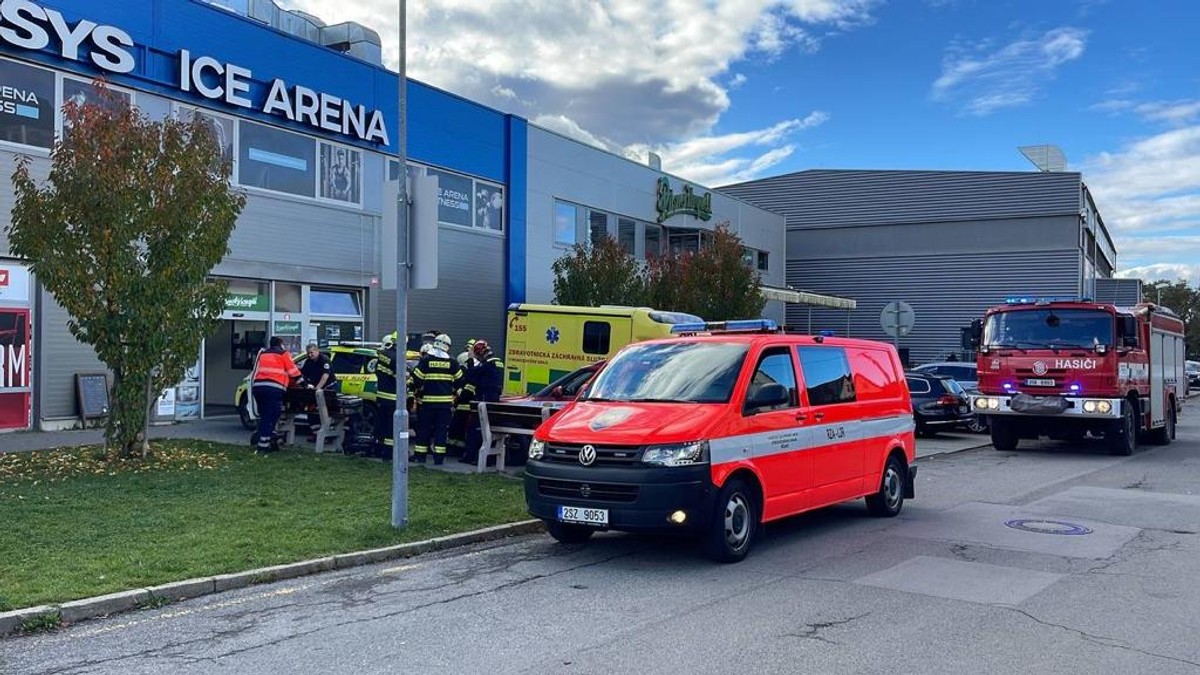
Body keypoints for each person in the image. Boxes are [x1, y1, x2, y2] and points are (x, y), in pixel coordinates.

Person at [411, 333, 462, 465]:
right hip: (445, 405)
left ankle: (420, 456)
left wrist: (418, 390)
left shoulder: (426, 360)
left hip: (427, 404)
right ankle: (438, 459)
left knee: (424, 429)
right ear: (448, 347)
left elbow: (416, 379)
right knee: (441, 430)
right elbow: (459, 382)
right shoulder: (453, 362)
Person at [251, 336, 302, 453]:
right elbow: (293, 371)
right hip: (274, 388)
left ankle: (271, 439)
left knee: (265, 415)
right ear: (280, 344)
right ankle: (263, 445)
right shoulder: (283, 354)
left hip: (258, 387)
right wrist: (304, 384)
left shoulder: (263, 354)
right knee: (271, 416)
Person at [462, 340, 505, 464]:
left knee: (476, 429)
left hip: (484, 400)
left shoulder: (487, 365)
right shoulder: (498, 362)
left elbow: (470, 375)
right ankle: (483, 458)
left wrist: (470, 360)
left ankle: (474, 457)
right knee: (485, 429)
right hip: (493, 400)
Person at [374, 332, 399, 461]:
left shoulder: (382, 355)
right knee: (390, 427)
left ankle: (378, 449)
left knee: (381, 425)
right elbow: (399, 379)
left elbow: (378, 372)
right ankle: (388, 454)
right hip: (392, 398)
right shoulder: (396, 358)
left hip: (381, 396)